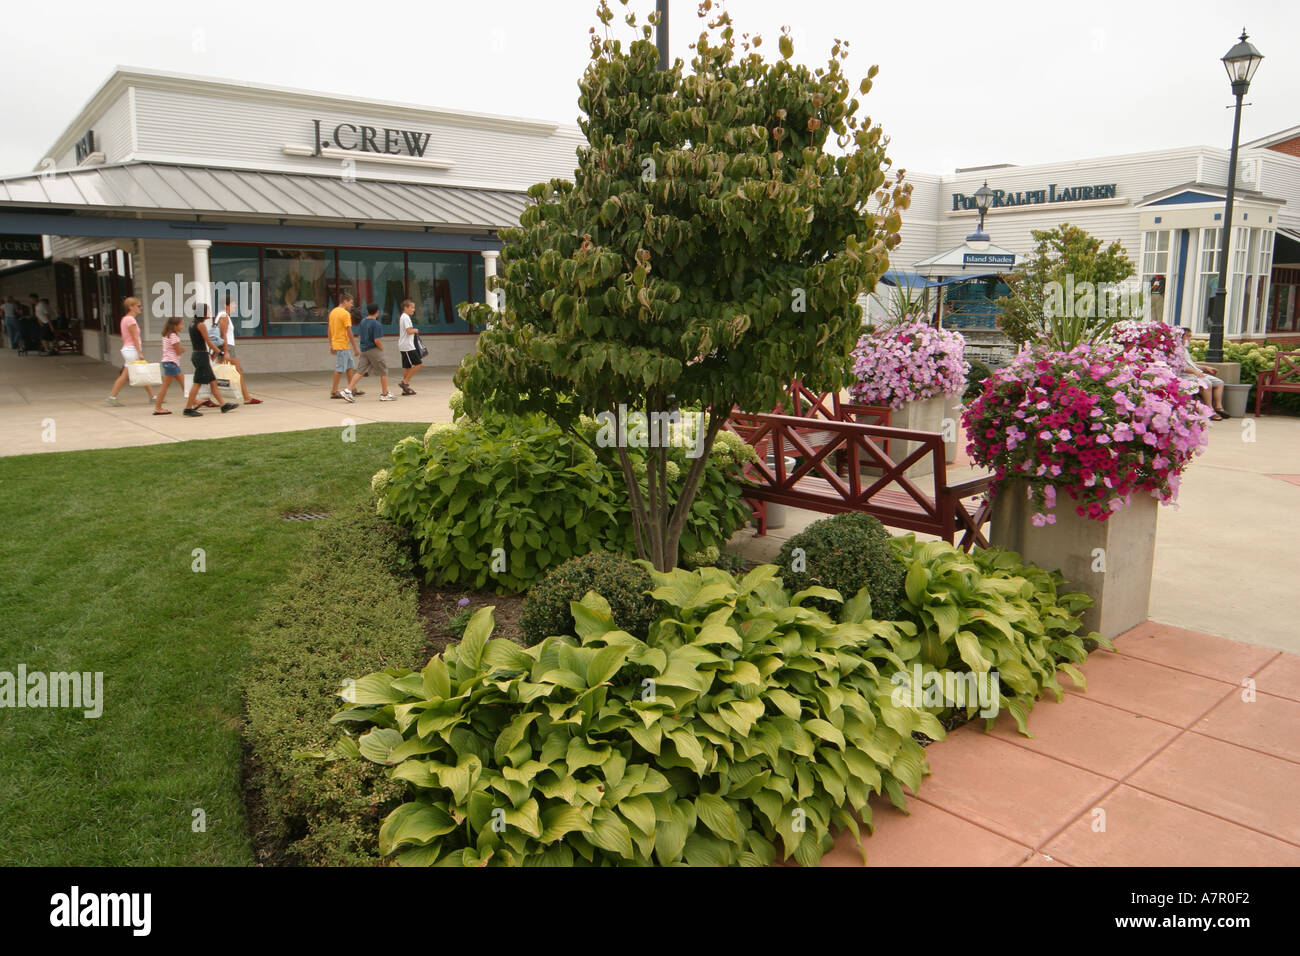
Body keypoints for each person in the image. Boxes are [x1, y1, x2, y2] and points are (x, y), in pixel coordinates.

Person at [184, 309, 236, 417]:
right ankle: (188, 409)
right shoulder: (201, 325)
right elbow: (209, 342)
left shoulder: (192, 324)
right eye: (206, 311)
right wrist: (220, 352)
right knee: (197, 383)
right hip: (201, 356)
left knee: (213, 382)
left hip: (197, 355)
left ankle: (223, 405)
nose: (208, 313)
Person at [106, 297, 156, 406]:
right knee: (129, 375)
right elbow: (134, 337)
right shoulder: (130, 320)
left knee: (134, 373)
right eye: (138, 306)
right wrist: (139, 352)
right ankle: (112, 396)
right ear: (131, 307)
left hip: (129, 349)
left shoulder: (125, 319)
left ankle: (152, 396)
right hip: (132, 349)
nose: (140, 308)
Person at [213, 295, 262, 405]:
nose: (235, 306)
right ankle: (246, 397)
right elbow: (223, 335)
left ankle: (245, 397)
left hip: (226, 347)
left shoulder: (223, 316)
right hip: (227, 347)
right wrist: (226, 351)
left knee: (217, 372)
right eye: (233, 303)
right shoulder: (224, 316)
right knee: (237, 371)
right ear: (226, 305)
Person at [1178, 327, 1231, 420]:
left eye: (1190, 336)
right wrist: (1195, 372)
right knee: (1207, 384)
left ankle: (1218, 407)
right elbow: (1180, 366)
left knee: (1219, 383)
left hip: (1196, 373)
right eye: (1187, 336)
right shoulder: (1177, 350)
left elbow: (1192, 364)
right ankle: (1210, 410)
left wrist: (1205, 367)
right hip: (1187, 375)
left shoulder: (1185, 349)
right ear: (1180, 337)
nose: (1189, 338)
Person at [357, 303, 396, 401]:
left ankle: (348, 390)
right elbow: (377, 340)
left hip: (364, 349)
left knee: (360, 371)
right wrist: (381, 348)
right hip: (374, 349)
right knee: (383, 371)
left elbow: (359, 336)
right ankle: (384, 393)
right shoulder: (376, 324)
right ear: (377, 312)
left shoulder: (363, 321)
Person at [328, 293, 362, 402]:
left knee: (350, 366)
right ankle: (334, 391)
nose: (351, 305)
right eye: (351, 302)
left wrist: (331, 344)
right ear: (345, 301)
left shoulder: (333, 312)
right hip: (342, 344)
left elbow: (329, 329)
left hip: (338, 343)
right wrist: (355, 347)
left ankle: (351, 388)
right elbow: (349, 331)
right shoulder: (345, 314)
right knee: (340, 368)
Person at [153, 316, 186, 415]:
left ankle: (193, 402)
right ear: (174, 326)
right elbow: (178, 351)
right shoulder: (173, 336)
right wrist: (182, 349)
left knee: (183, 383)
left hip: (169, 362)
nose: (182, 326)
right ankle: (158, 408)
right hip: (171, 363)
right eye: (181, 324)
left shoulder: (167, 335)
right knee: (166, 385)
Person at [396, 299, 423, 395]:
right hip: (407, 346)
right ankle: (404, 382)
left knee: (407, 367)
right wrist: (415, 330)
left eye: (413, 307)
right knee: (418, 364)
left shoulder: (403, 317)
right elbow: (409, 331)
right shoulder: (406, 317)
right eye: (411, 307)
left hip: (405, 345)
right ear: (405, 308)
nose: (413, 309)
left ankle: (405, 389)